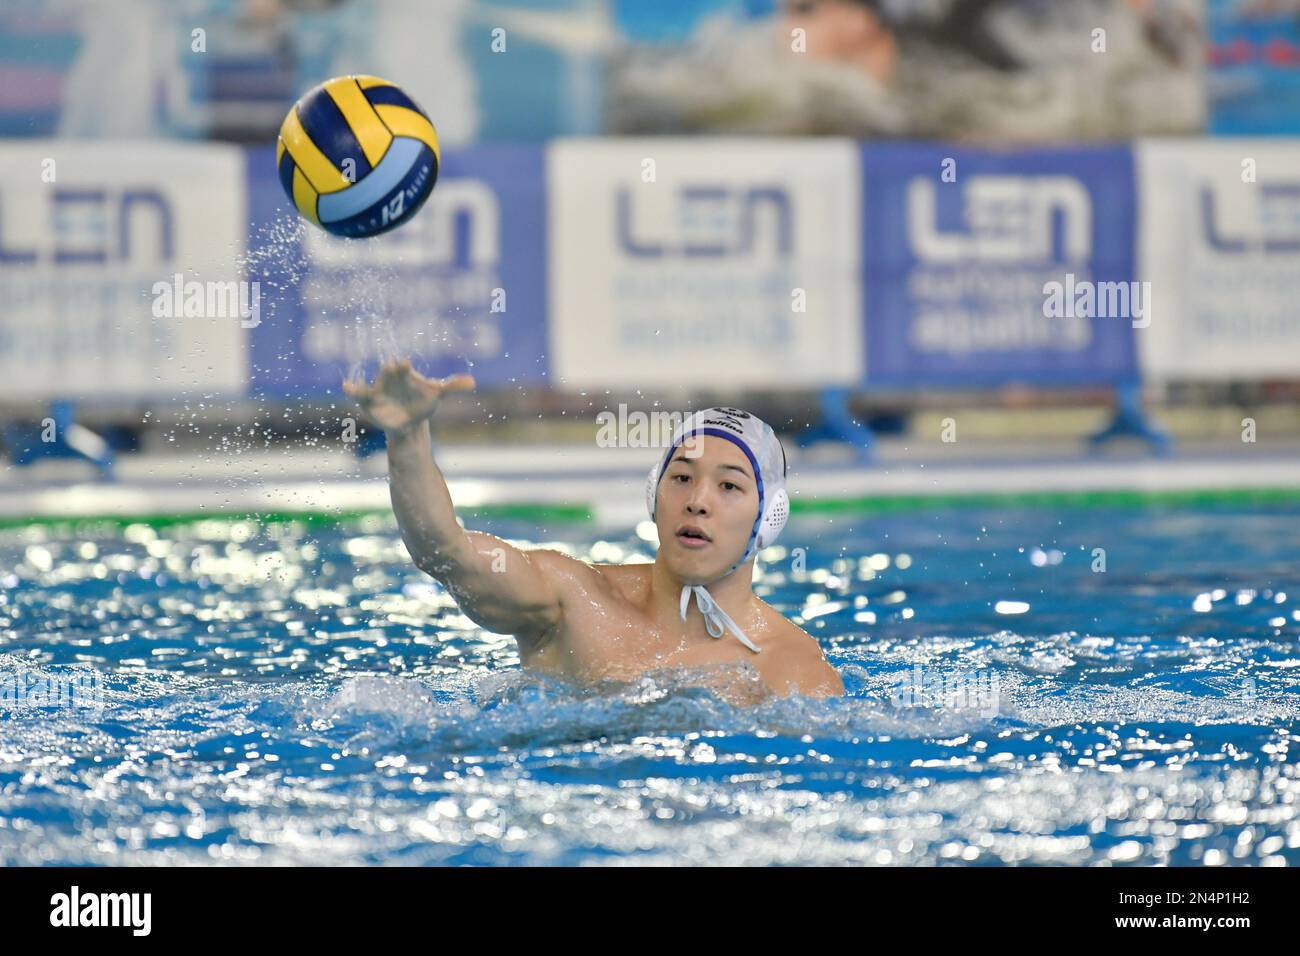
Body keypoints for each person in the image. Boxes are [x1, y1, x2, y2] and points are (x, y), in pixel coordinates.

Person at [343, 360, 845, 703]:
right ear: (655, 495)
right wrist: (407, 436)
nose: (698, 500)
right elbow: (445, 553)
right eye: (683, 478)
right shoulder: (572, 600)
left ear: (768, 518)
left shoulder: (790, 669)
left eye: (729, 486)